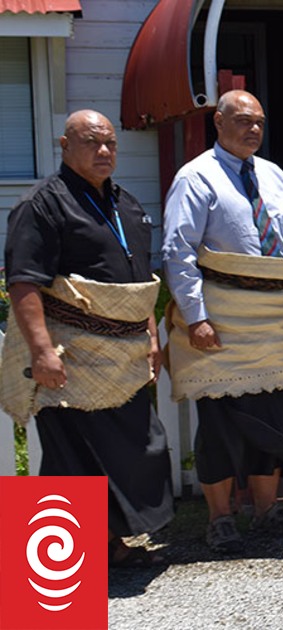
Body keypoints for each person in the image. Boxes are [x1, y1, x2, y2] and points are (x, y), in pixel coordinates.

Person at [1, 110, 172, 566]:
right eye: (92, 142)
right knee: (70, 463)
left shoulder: (126, 204)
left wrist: (151, 337)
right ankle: (50, 573)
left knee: (136, 451)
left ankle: (111, 546)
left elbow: (140, 285)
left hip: (124, 360)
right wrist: (41, 352)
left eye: (110, 143)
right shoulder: (41, 205)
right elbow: (23, 282)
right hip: (71, 357)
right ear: (64, 145)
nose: (104, 151)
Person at [162, 90, 283, 553]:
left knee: (275, 422)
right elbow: (178, 251)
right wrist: (196, 317)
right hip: (223, 322)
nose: (252, 129)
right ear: (218, 122)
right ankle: (220, 517)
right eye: (243, 121)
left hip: (273, 322)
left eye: (259, 122)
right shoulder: (196, 177)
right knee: (220, 425)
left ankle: (267, 512)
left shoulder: (275, 176)